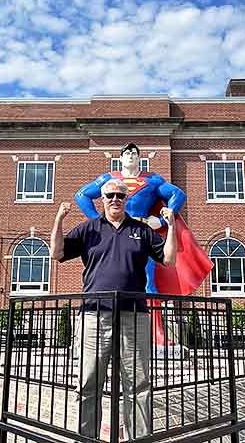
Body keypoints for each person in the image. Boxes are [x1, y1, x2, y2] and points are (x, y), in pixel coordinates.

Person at [50, 178, 177, 440]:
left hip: (134, 315)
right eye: (110, 195)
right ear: (102, 199)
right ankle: (88, 438)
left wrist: (172, 225)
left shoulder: (141, 230)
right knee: (88, 383)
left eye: (120, 195)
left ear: (126, 198)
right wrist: (59, 220)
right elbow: (57, 253)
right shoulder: (89, 229)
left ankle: (138, 438)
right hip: (94, 316)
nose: (115, 199)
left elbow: (169, 258)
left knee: (139, 385)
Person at [74, 143, 213, 344]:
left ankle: (156, 334)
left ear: (139, 158)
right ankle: (100, 333)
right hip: (113, 232)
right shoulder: (109, 179)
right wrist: (98, 221)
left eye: (134, 153)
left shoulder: (152, 179)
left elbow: (178, 195)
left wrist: (163, 220)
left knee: (148, 281)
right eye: (126, 152)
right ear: (120, 158)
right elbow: (81, 195)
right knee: (103, 276)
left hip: (140, 232)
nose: (130, 155)